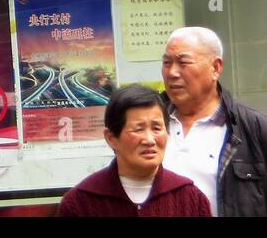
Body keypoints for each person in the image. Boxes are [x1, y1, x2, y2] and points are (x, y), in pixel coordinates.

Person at [160, 26, 267, 217]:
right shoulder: (151, 123)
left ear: (215, 68)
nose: (172, 72)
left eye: (183, 62)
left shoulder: (253, 128)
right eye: (167, 63)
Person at [58, 83, 209, 217]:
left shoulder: (191, 199)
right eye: (138, 129)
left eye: (157, 128)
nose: (150, 140)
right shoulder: (80, 204)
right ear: (111, 138)